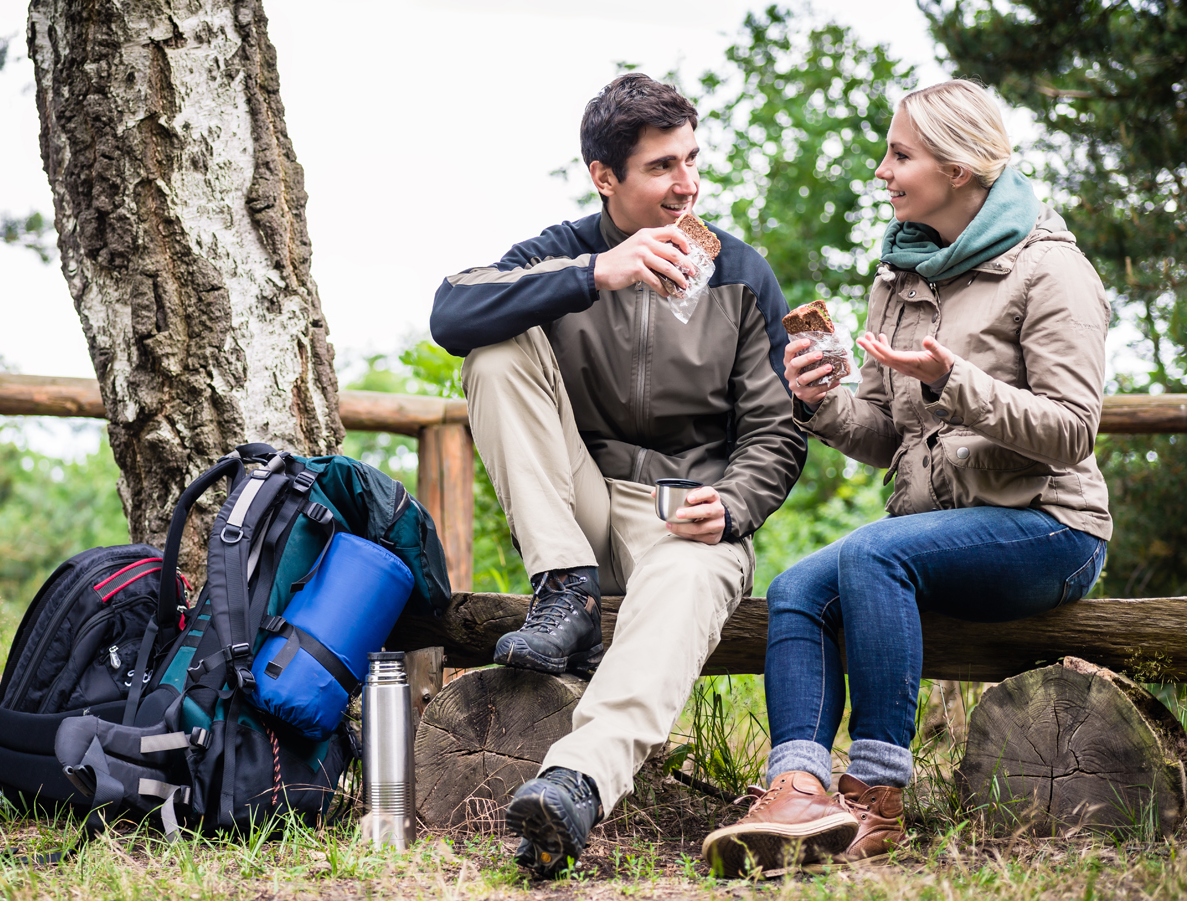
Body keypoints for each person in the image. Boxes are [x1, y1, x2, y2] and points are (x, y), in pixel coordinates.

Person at [701, 79, 1113, 878]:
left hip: (1050, 528)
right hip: (933, 537)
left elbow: (1072, 431)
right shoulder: (900, 276)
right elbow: (889, 434)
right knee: (796, 586)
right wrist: (817, 402)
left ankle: (876, 794)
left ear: (957, 169)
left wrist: (954, 380)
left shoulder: (1051, 271)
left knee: (872, 551)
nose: (882, 170)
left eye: (900, 155)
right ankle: (798, 790)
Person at [429, 73, 806, 876]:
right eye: (662, 166)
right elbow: (451, 312)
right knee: (493, 351)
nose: (687, 183)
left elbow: (777, 429)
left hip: (684, 519)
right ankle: (564, 592)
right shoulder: (564, 251)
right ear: (604, 176)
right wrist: (596, 272)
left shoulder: (743, 275)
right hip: (580, 510)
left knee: (686, 578)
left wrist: (734, 503)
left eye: (692, 159)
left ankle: (574, 782)